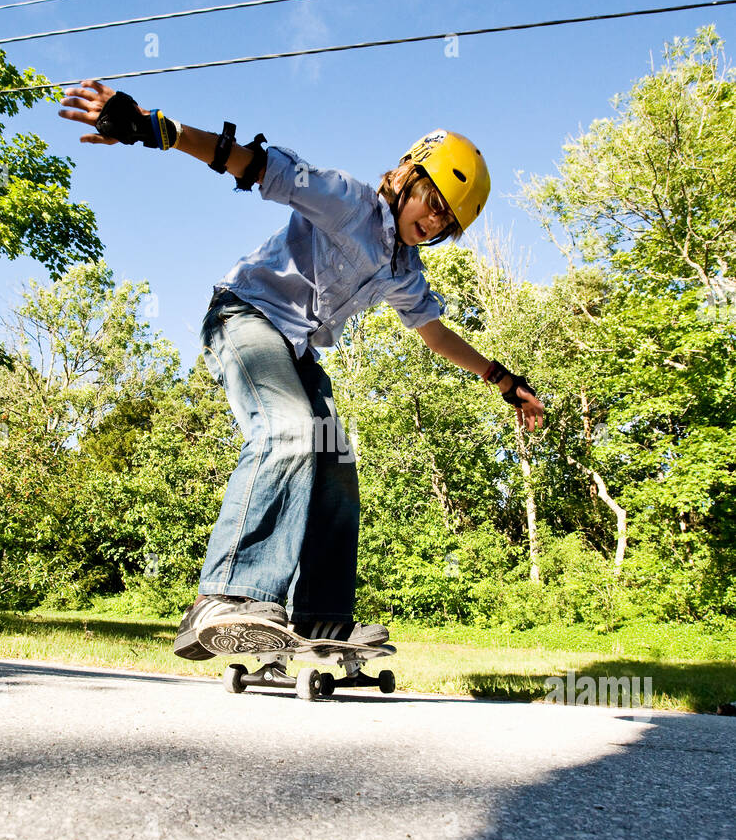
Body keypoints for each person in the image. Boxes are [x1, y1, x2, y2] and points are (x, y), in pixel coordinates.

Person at [58, 79, 544, 660]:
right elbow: (259, 166)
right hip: (243, 317)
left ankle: (322, 620)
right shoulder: (347, 199)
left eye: (449, 221)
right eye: (433, 202)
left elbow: (434, 333)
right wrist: (159, 129)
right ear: (409, 176)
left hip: (296, 351)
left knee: (335, 460)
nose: (435, 222)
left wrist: (504, 380)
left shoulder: (403, 269)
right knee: (287, 430)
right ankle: (227, 595)